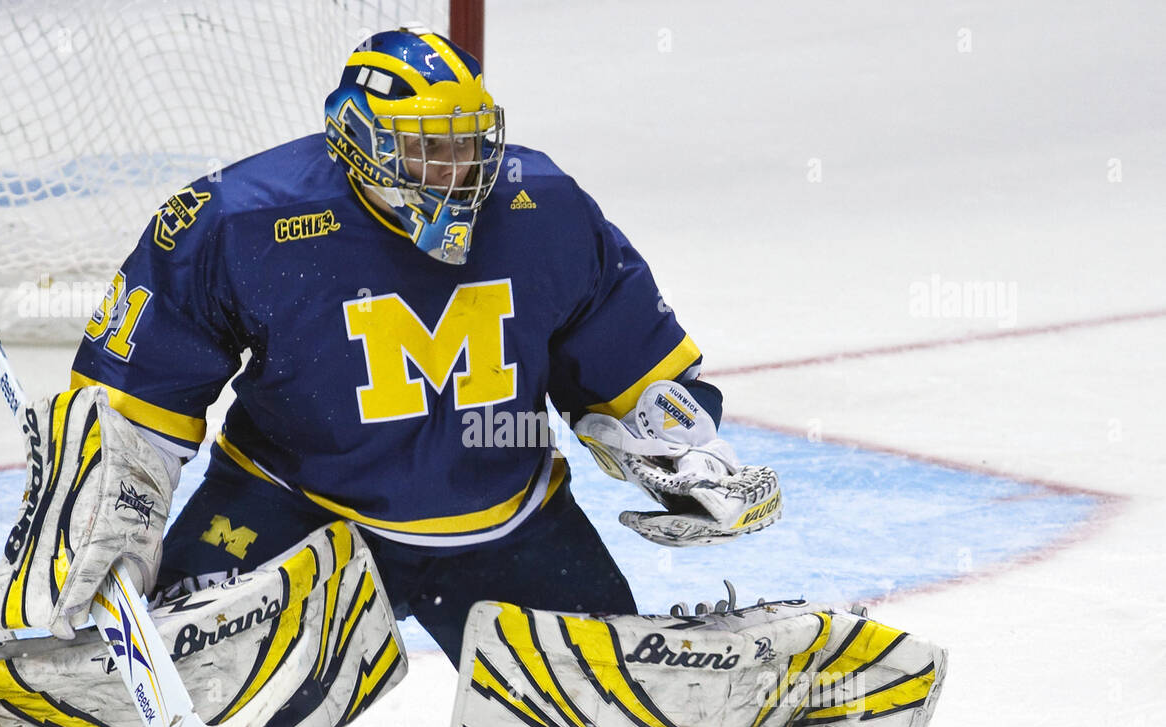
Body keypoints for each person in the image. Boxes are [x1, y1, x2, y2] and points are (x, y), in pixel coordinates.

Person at [57, 25, 780, 666]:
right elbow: (135, 398)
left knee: (622, 700)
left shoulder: (544, 207)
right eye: (425, 149)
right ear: (357, 139)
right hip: (294, 511)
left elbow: (625, 362)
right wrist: (100, 531)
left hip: (506, 526)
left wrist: (686, 456)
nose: (454, 170)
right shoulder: (243, 219)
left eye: (466, 145)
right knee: (156, 684)